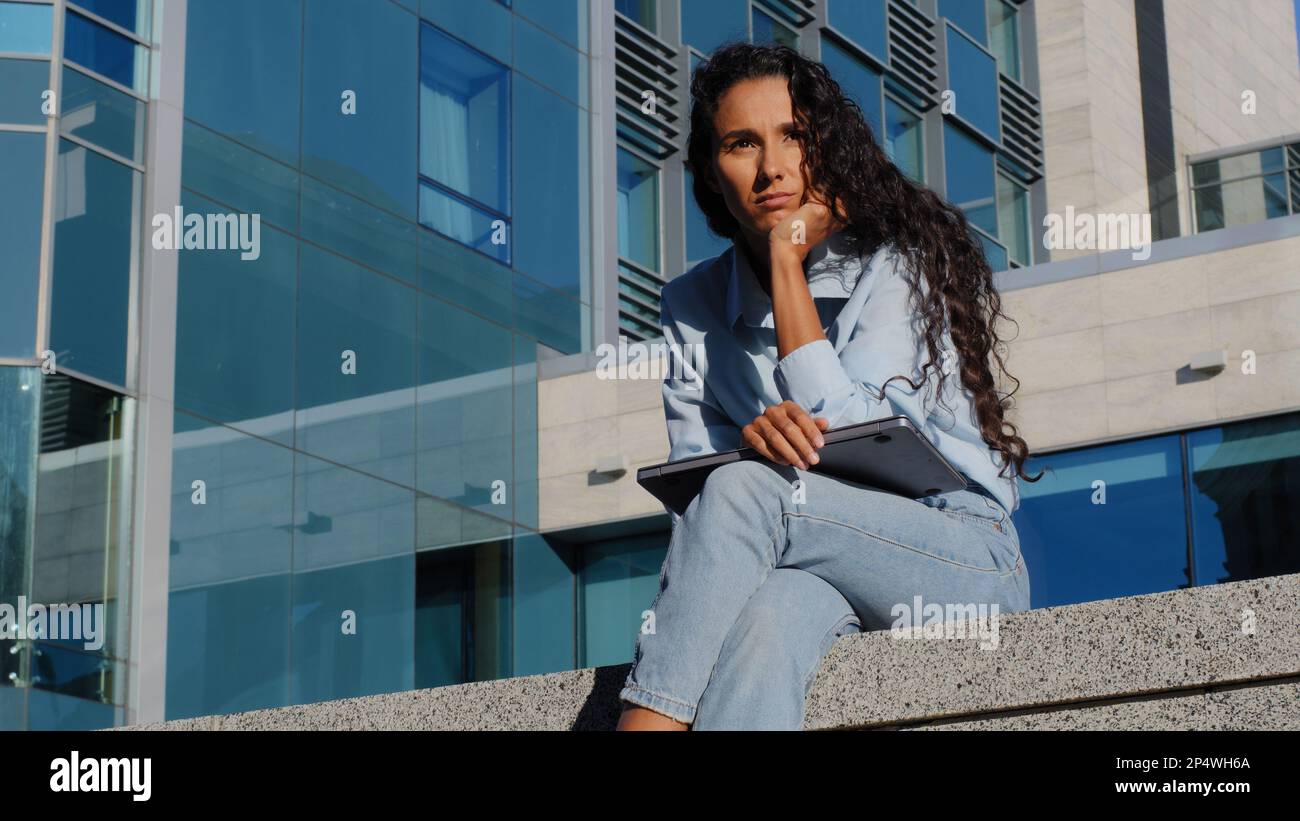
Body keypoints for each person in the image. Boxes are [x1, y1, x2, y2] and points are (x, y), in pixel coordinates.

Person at [615, 41, 1043, 731]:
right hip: (807, 559)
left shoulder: (896, 262)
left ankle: (644, 723)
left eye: (793, 136)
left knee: (748, 486)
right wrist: (753, 456)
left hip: (959, 561)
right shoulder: (691, 303)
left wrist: (787, 263)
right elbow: (701, 515)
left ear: (825, 148)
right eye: (742, 143)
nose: (772, 167)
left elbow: (851, 431)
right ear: (708, 169)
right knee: (768, 622)